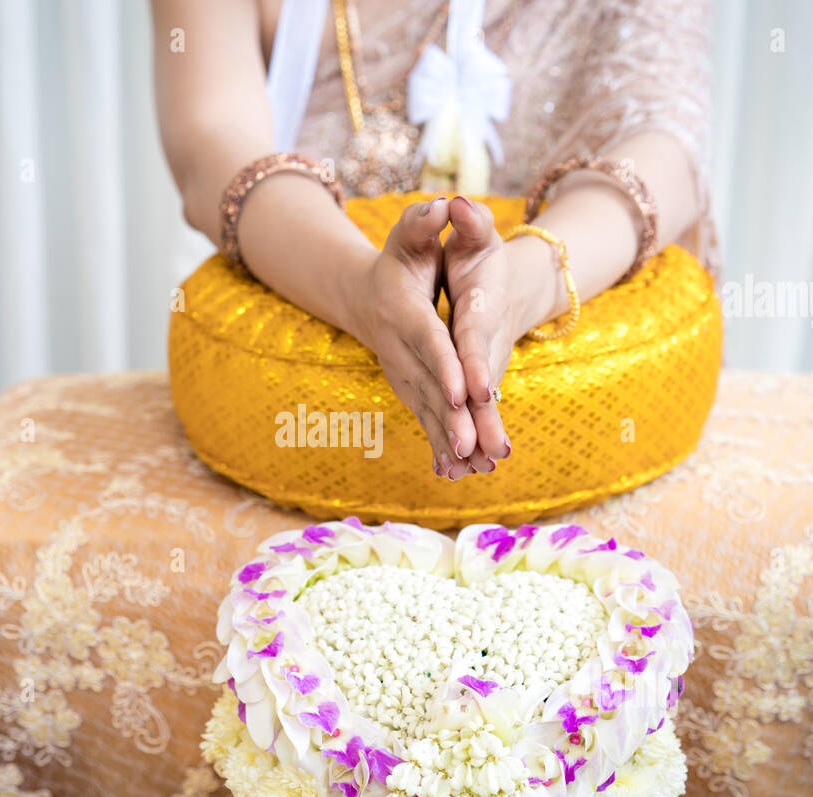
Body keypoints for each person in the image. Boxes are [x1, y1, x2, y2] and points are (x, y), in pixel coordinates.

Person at [152, 0, 713, 479]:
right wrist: (362, 291)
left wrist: (519, 285)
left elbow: (668, 143)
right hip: (307, 410)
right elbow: (213, 143)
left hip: (583, 400)